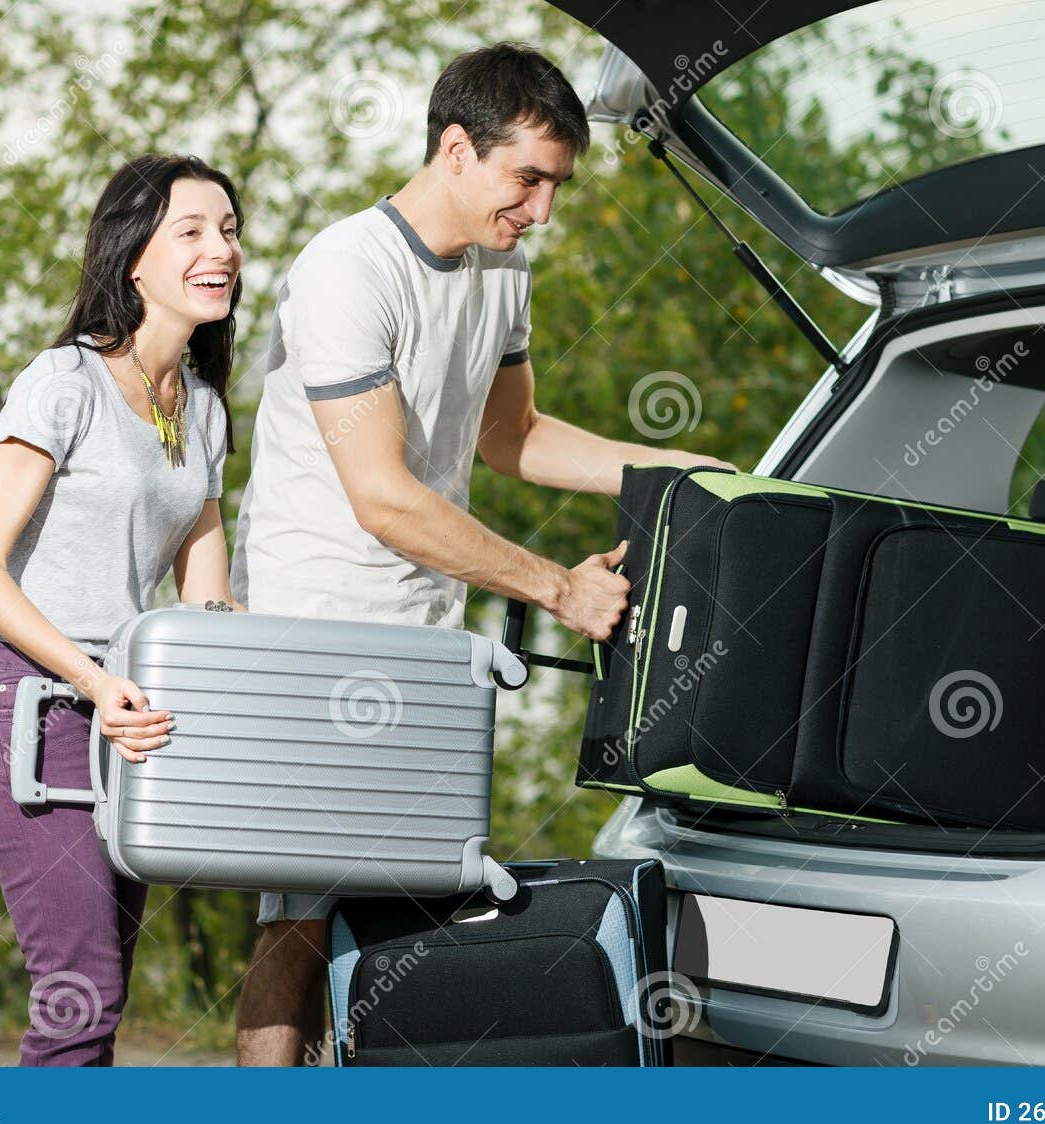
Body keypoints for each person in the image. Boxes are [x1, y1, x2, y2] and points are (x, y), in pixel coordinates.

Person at [229, 42, 730, 1066]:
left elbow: (513, 438)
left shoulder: (501, 271)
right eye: (528, 179)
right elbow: (382, 496)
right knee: (301, 914)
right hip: (311, 625)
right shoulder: (346, 269)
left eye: (557, 184)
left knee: (412, 906)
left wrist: (669, 465)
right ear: (456, 148)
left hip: (423, 631)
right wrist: (556, 586)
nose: (542, 209)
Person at [0, 153, 244, 1065]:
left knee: (100, 988)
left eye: (230, 232)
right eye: (190, 231)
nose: (220, 250)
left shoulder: (201, 409)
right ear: (132, 260)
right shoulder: (64, 381)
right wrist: (91, 677)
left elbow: (207, 602)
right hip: (24, 702)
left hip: (122, 714)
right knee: (81, 994)